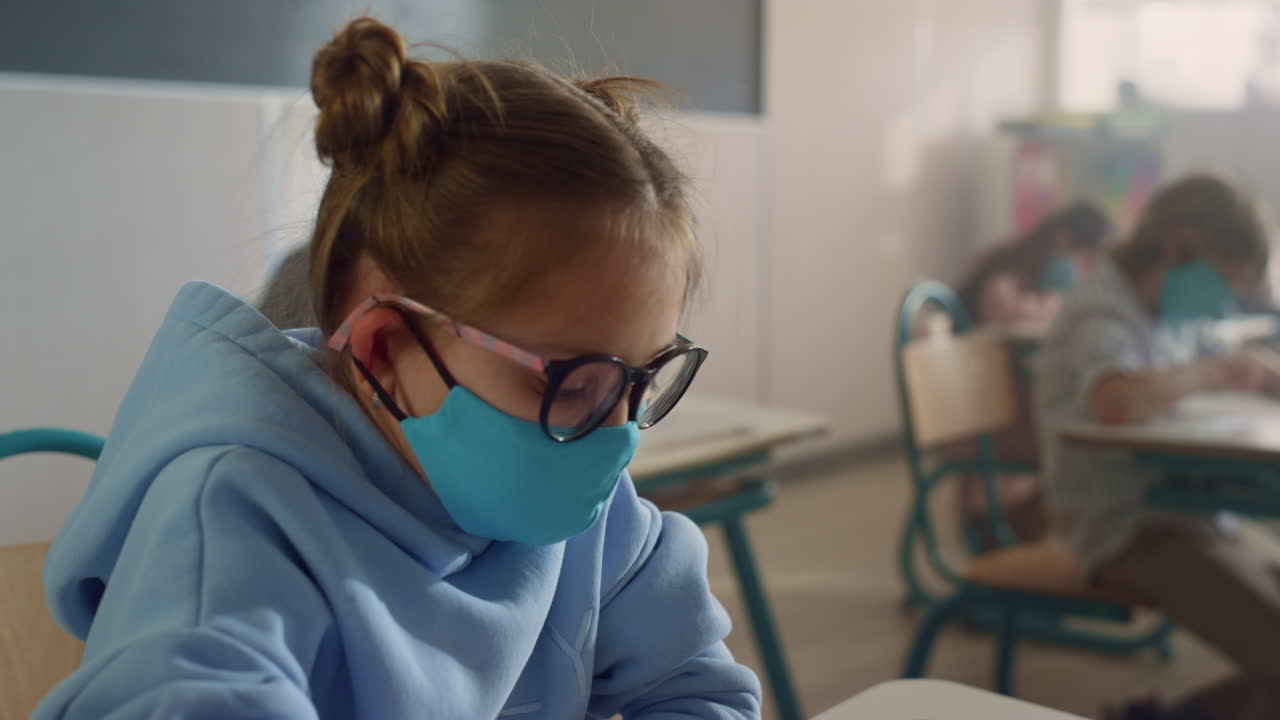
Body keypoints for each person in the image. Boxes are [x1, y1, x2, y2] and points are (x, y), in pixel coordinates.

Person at [34, 18, 761, 719]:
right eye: (570, 381)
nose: (618, 436)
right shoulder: (231, 539)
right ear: (385, 347)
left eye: (638, 379)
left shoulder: (585, 504)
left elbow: (702, 692)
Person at [1036, 175, 1280, 720]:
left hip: (1198, 516)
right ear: (1177, 245)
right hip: (1127, 530)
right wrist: (1213, 370)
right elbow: (1116, 400)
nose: (1223, 301)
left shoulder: (1173, 312)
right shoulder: (1101, 312)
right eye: (1222, 280)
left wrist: (1259, 375)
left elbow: (1228, 361)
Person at [950, 203, 1112, 548]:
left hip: (1010, 401)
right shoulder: (1006, 271)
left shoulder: (1045, 276)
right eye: (1082, 255)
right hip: (984, 407)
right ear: (1064, 239)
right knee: (1073, 432)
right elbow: (1013, 317)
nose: (1082, 267)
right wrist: (1064, 302)